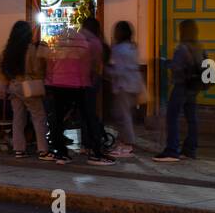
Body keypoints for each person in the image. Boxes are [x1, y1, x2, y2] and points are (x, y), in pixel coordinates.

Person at [45, 25, 113, 165]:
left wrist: (51, 83)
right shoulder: (84, 48)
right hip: (78, 86)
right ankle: (96, 153)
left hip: (58, 86)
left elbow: (50, 68)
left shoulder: (57, 48)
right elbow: (87, 68)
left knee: (58, 120)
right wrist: (87, 82)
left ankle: (61, 154)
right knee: (89, 118)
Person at [0, 21, 50, 159]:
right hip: (29, 86)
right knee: (38, 117)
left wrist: (6, 81)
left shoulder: (9, 49)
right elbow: (39, 68)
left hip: (13, 85)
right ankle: (43, 150)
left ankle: (19, 149)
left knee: (18, 118)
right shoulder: (32, 48)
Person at [155, 19, 205, 162]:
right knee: (192, 119)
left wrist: (164, 62)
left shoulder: (182, 48)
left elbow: (176, 67)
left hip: (181, 86)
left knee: (172, 117)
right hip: (194, 87)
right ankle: (190, 150)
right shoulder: (200, 47)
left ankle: (172, 150)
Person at [107, 21, 142, 157]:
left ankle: (127, 144)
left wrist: (106, 70)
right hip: (133, 84)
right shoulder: (132, 47)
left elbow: (118, 70)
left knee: (122, 116)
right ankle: (123, 142)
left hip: (123, 85)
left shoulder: (119, 49)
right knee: (123, 114)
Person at [79, 15, 111, 159]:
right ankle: (91, 142)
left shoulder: (86, 42)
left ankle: (88, 143)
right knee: (90, 112)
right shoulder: (98, 42)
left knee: (85, 114)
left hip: (85, 80)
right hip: (94, 79)